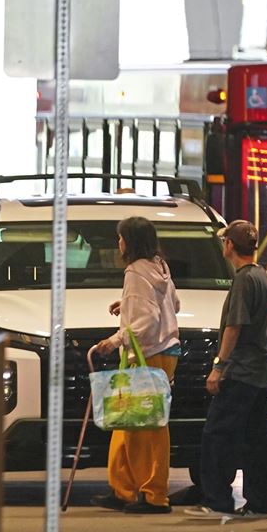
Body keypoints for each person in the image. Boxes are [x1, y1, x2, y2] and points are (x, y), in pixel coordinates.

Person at [186, 220, 267, 519]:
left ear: (228, 246)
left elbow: (234, 326)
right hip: (261, 373)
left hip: (241, 371)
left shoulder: (242, 280)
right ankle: (261, 502)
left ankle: (216, 500)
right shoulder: (262, 276)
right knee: (257, 440)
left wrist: (218, 366)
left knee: (217, 435)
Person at [92, 216, 181, 514]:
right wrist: (127, 306)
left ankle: (154, 495)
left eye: (120, 238)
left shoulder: (135, 273)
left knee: (146, 428)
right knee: (127, 421)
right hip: (165, 351)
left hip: (149, 352)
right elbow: (172, 306)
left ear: (129, 242)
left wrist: (114, 340)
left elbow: (146, 321)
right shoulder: (160, 267)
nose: (118, 244)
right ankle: (124, 488)